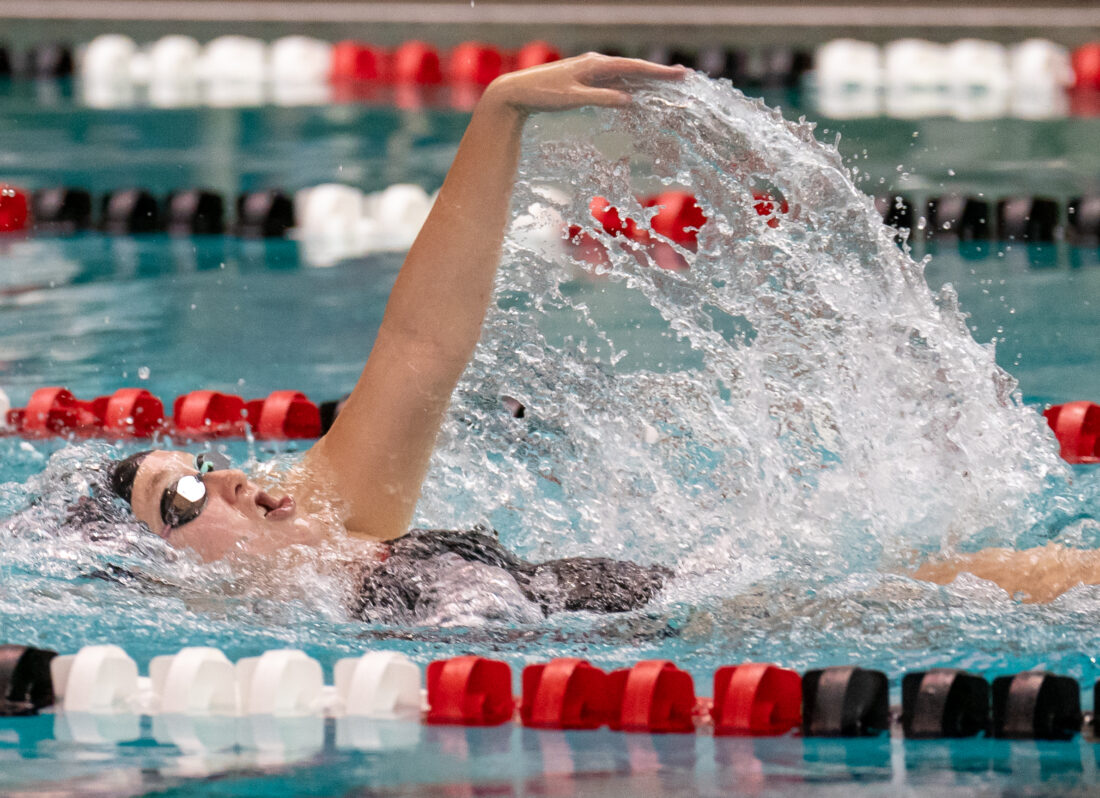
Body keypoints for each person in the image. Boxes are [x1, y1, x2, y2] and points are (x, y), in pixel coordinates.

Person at [104, 54, 686, 622]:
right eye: (181, 495)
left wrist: (501, 109)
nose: (227, 478)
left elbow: (421, 346)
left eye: (202, 466)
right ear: (166, 570)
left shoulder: (330, 511)